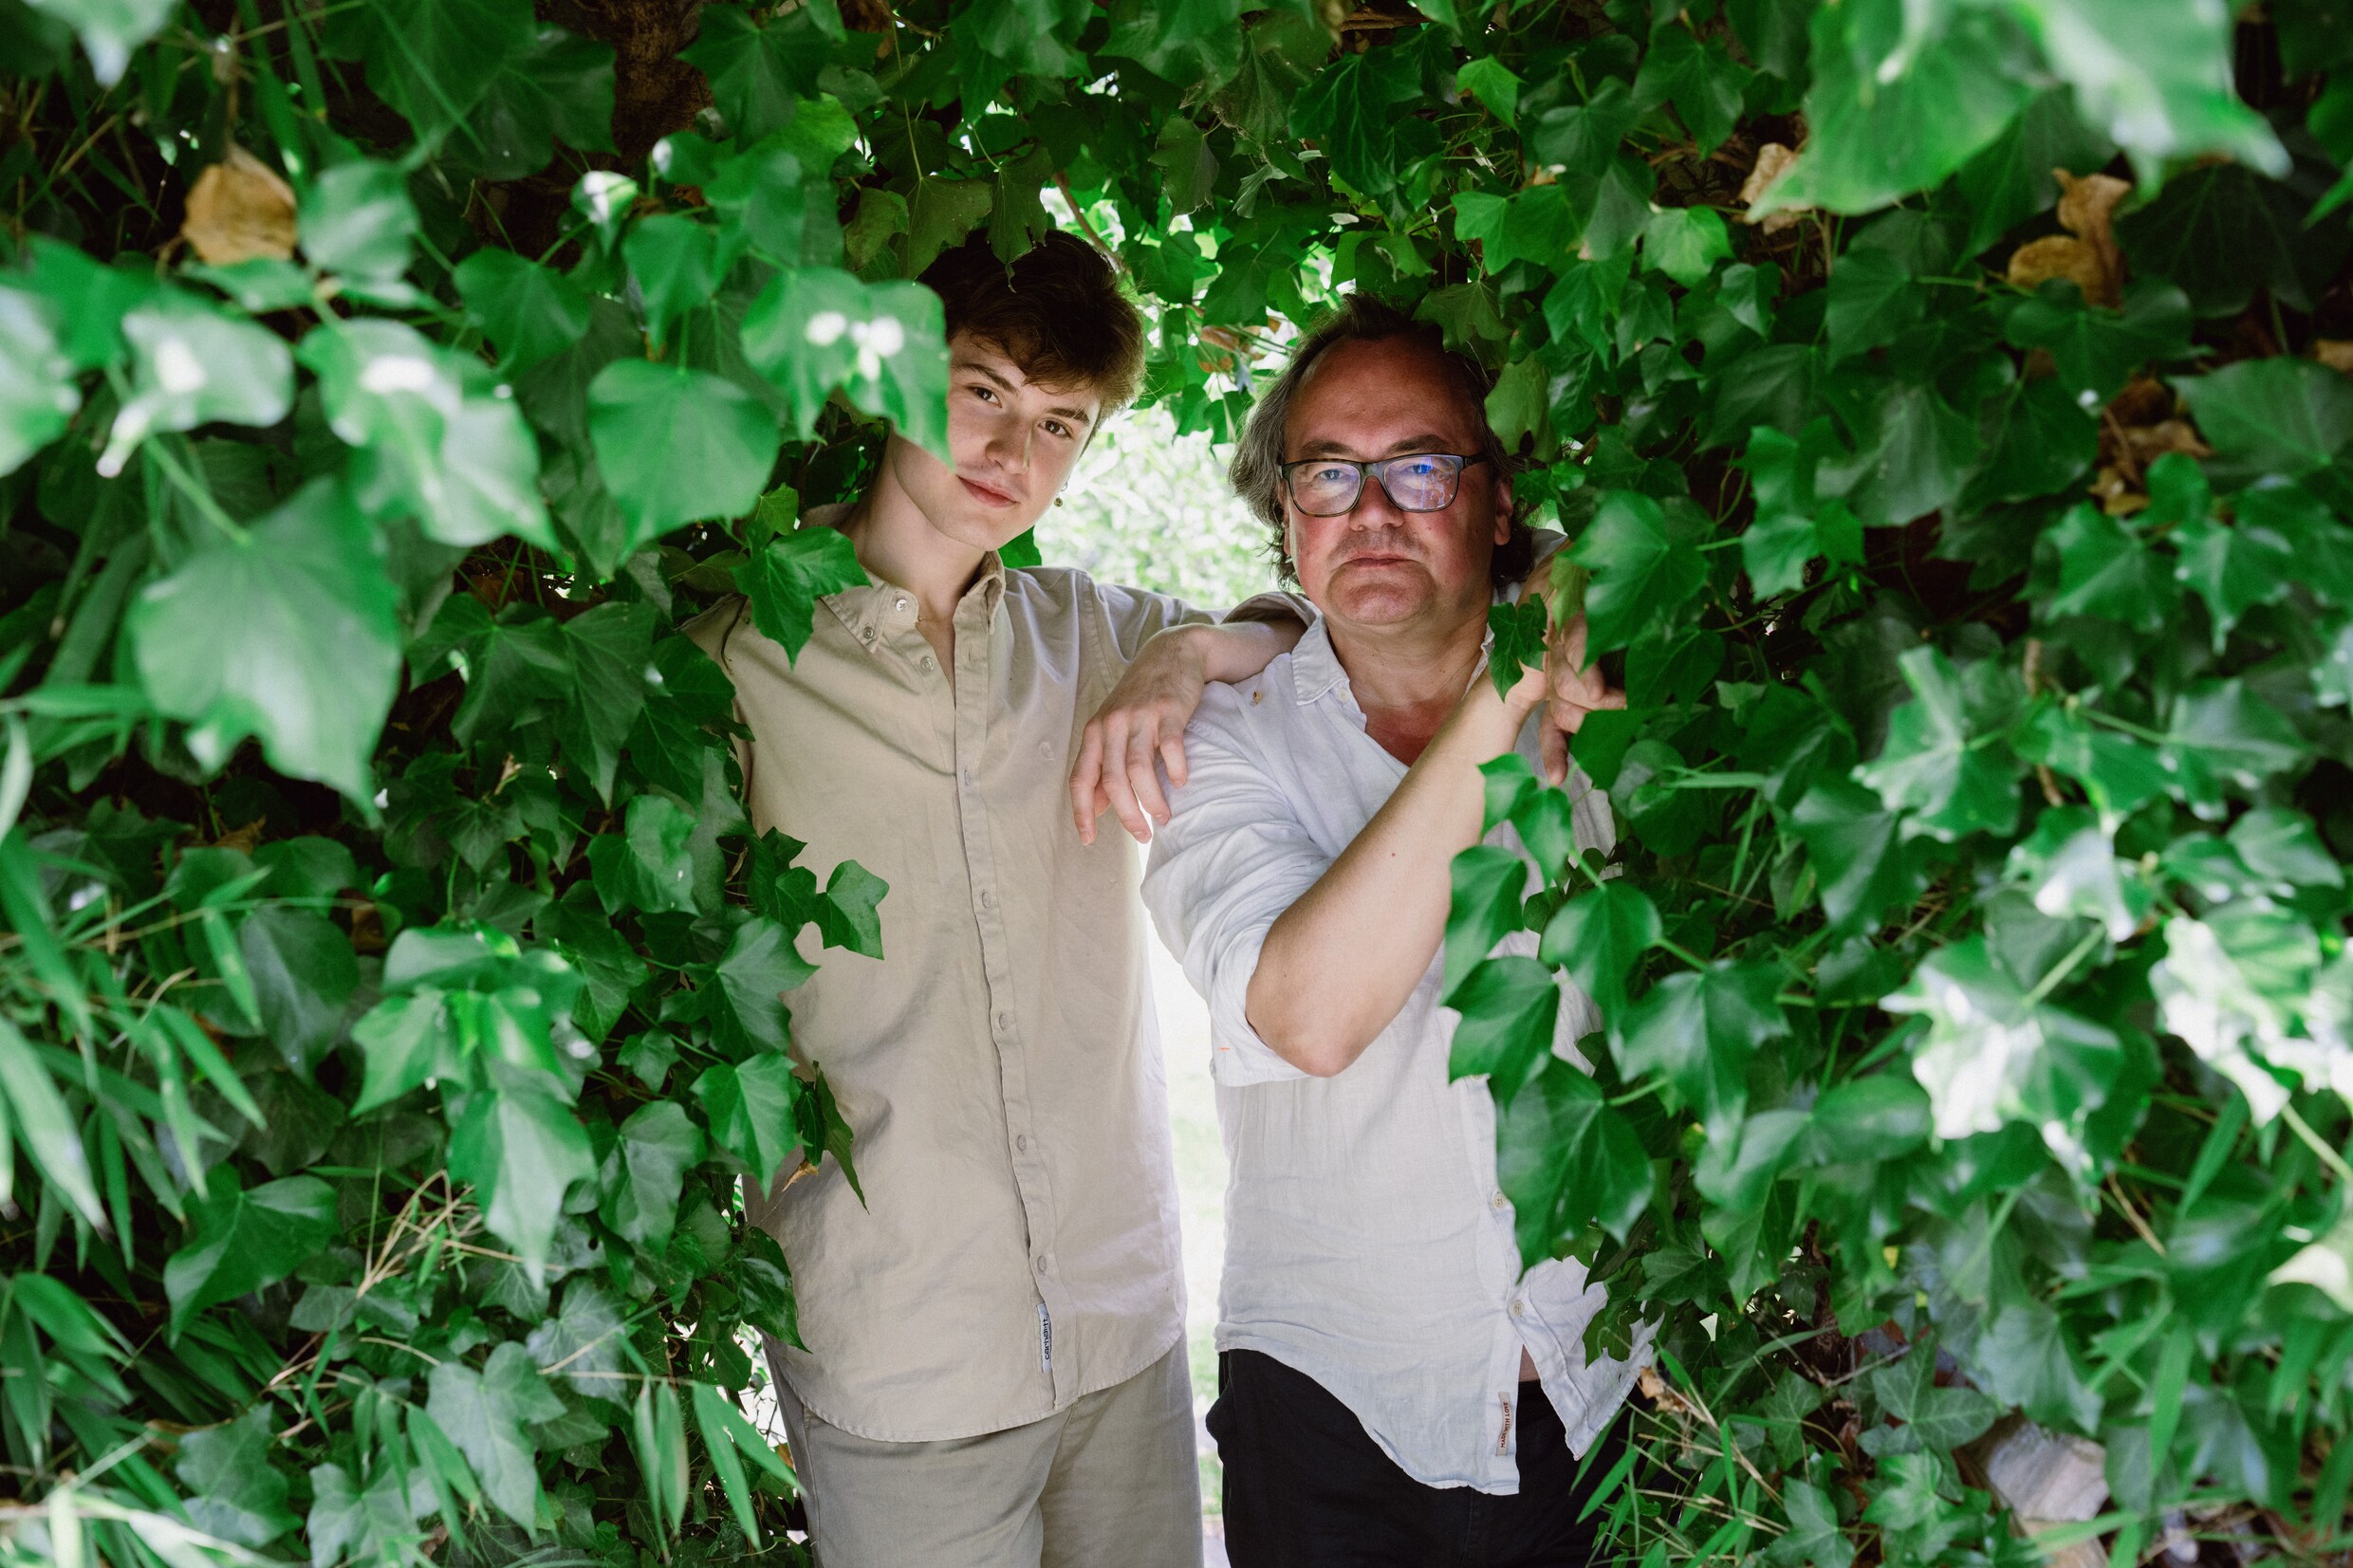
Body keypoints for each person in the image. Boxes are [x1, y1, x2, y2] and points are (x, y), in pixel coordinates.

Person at [687, 232, 1313, 1568]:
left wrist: (1186, 654)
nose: (1012, 451)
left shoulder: (1093, 638)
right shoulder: (734, 664)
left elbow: (1312, 651)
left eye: (1059, 425)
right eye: (981, 390)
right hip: (898, 1345)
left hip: (1120, 1322)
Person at [1140, 294, 1647, 1568]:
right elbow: (1306, 1013)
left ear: (1493, 498)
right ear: (1286, 515)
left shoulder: (1630, 692)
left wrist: (1552, 638)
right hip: (1333, 1404)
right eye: (1328, 474)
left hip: (1604, 1388)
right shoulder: (1215, 743)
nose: (1370, 511)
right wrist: (1510, 687)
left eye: (1418, 466)